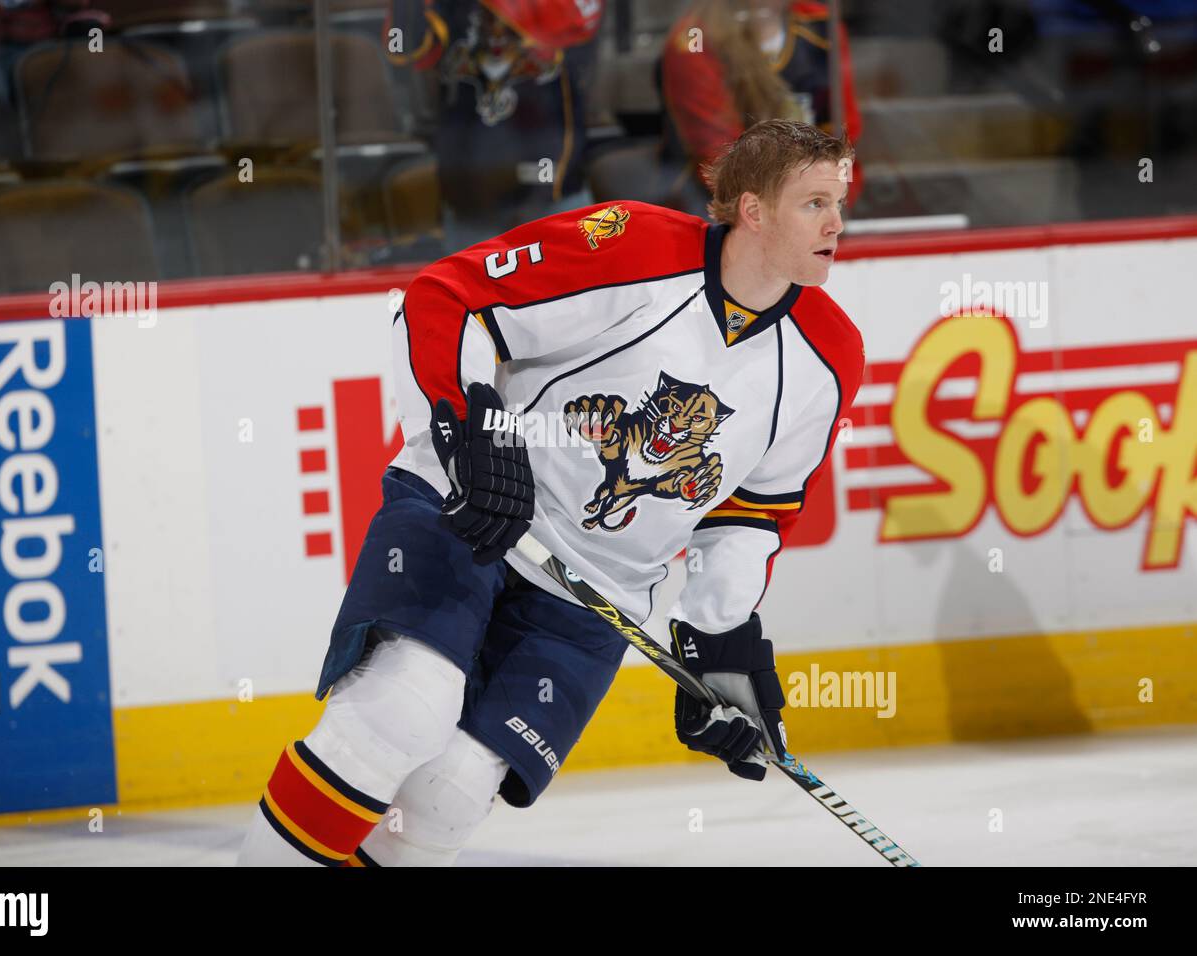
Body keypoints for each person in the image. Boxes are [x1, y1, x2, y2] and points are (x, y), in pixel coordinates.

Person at [237, 119, 864, 867]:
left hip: (594, 597)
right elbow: (447, 299)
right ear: (754, 209)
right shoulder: (630, 243)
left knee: (450, 794)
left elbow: (751, 510)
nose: (836, 224)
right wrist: (473, 432)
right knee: (402, 711)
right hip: (475, 513)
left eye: (840, 201)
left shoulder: (831, 356)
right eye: (814, 203)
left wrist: (717, 640)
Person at [383, 0, 603, 250]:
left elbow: (578, 29)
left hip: (552, 197)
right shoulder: (450, 8)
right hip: (472, 205)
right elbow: (402, 48)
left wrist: (539, 188)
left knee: (566, 283)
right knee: (466, 286)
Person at [659, 0, 863, 209]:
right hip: (721, 213)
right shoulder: (695, 39)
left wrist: (833, 203)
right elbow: (720, 160)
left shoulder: (821, 25)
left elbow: (844, 136)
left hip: (810, 206)